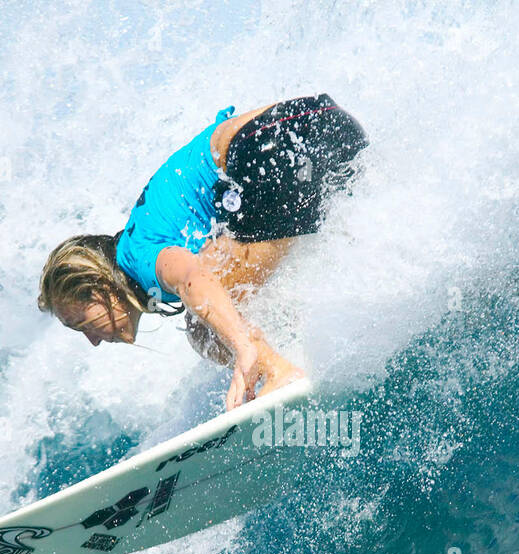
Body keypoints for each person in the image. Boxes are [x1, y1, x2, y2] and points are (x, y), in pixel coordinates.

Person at [38, 93, 368, 410]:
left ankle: (281, 374)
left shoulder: (136, 255)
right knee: (241, 294)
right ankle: (312, 354)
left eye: (83, 323)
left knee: (205, 324)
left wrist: (242, 347)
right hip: (327, 125)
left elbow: (192, 278)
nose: (92, 340)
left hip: (271, 147)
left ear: (102, 286)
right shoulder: (151, 228)